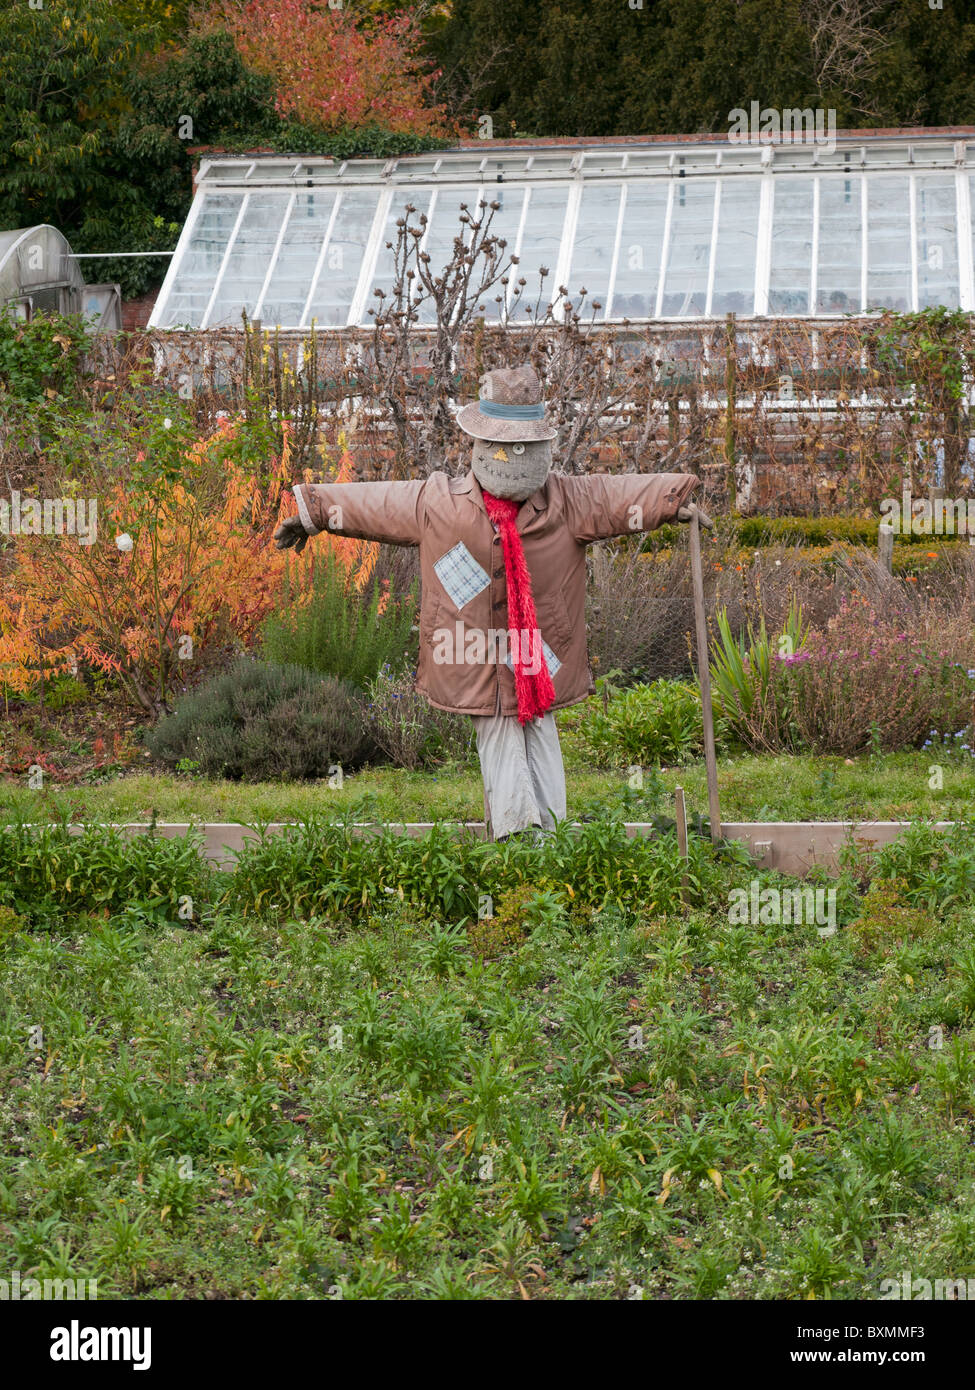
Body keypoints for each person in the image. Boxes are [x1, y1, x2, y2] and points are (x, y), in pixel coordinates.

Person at [274, 364, 711, 838]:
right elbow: (378, 503)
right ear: (481, 445)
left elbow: (618, 494)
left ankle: (551, 834)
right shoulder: (440, 502)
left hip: (537, 653)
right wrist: (314, 511)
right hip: (473, 648)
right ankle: (521, 838)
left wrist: (671, 499)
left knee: (537, 728)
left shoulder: (567, 502)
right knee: (500, 729)